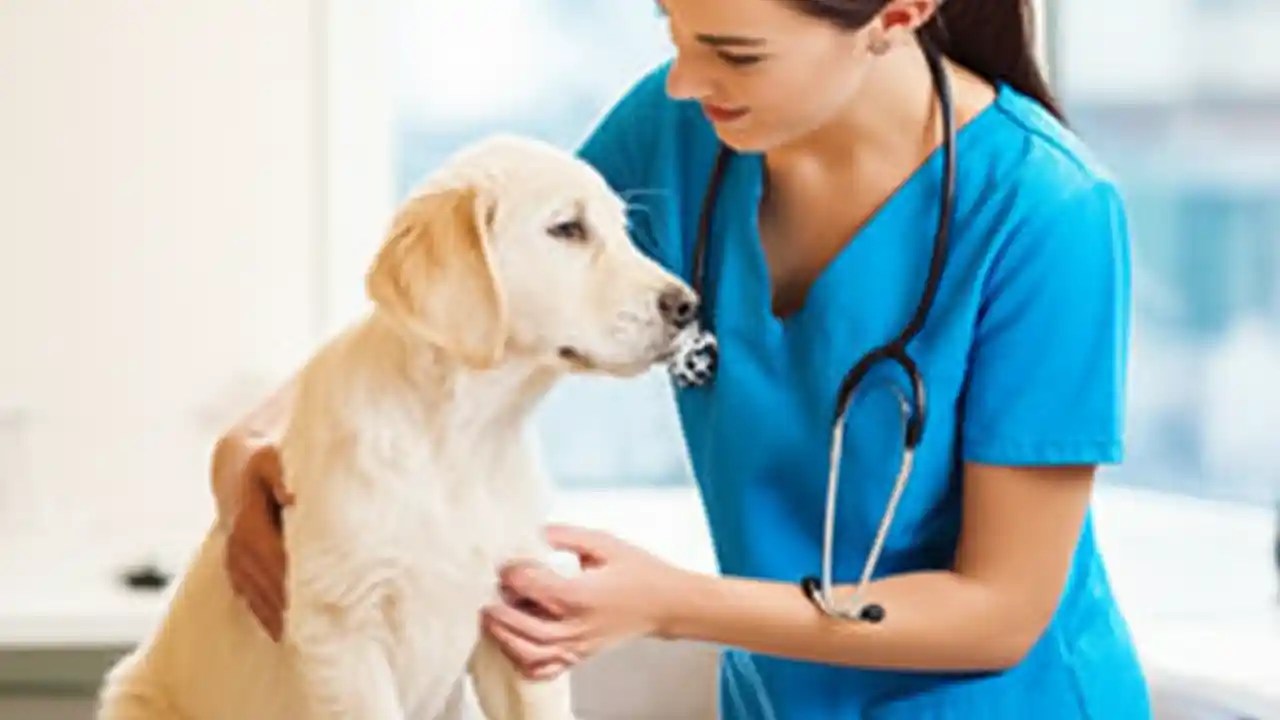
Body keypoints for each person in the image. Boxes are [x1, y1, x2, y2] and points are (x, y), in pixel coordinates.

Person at [211, 0, 1153, 717]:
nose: (683, 80)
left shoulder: (1047, 213)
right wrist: (250, 443)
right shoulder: (692, 123)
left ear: (896, 15)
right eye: (675, 30)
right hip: (776, 698)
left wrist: (670, 604)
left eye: (735, 50)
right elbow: (472, 297)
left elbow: (1000, 610)